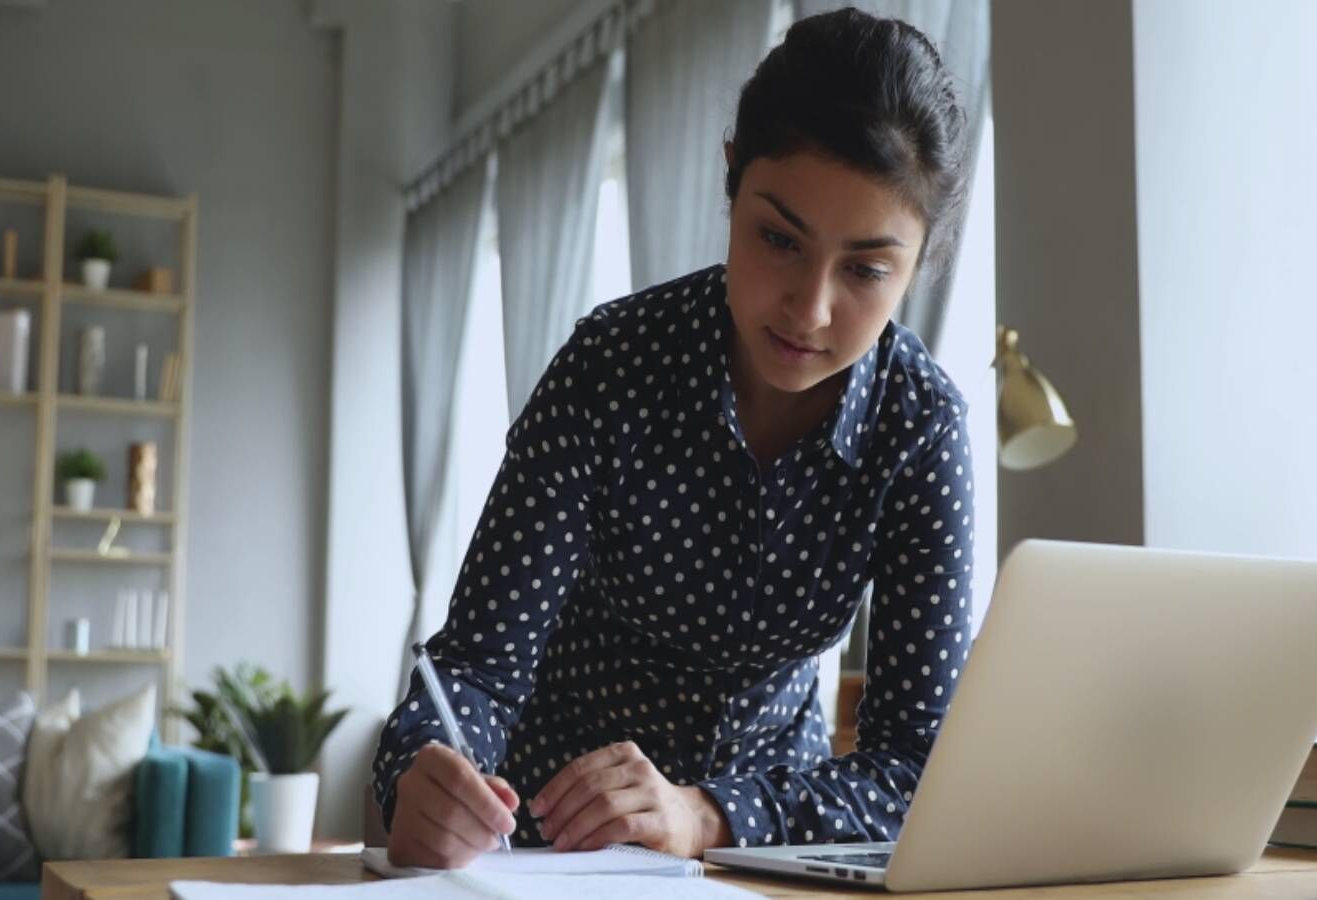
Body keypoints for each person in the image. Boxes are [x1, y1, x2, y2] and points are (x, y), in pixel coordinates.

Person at [373, 6, 976, 868]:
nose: (810, 310)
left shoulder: (920, 429)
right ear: (731, 176)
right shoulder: (611, 366)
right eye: (778, 238)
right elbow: (475, 667)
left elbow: (915, 770)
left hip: (771, 861)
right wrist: (419, 769)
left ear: (925, 261)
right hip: (551, 854)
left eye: (867, 270)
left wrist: (707, 815)